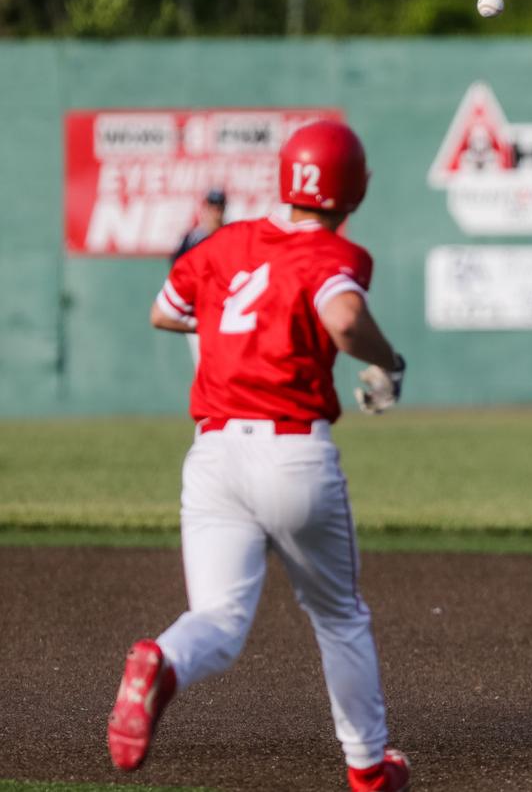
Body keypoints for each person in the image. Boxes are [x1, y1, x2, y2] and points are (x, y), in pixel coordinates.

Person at [107, 120, 412, 791]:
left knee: (216, 618)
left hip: (213, 455)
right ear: (352, 191)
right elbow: (344, 320)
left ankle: (160, 659)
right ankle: (367, 765)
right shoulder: (332, 252)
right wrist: (389, 361)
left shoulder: (224, 244)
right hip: (292, 453)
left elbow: (164, 312)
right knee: (338, 614)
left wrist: (228, 322)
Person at [171, 188, 227, 368]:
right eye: (212, 206)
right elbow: (177, 271)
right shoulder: (192, 238)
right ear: (204, 207)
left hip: (225, 310)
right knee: (204, 364)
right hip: (199, 310)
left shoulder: (230, 235)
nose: (215, 211)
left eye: (218, 206)